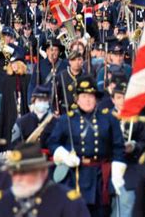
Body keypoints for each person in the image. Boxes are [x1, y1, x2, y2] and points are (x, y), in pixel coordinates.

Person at [47, 75, 126, 216]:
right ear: (77, 99)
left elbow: (118, 147)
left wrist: (117, 173)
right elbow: (53, 143)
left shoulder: (108, 119)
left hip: (101, 177)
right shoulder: (67, 120)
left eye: (90, 96)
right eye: (83, 96)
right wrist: (64, 156)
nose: (87, 100)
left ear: (96, 98)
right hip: (76, 175)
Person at [0, 142, 90, 216]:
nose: (19, 178)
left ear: (43, 172)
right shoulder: (3, 202)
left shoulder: (67, 202)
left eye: (25, 172)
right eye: (14, 173)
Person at [109, 80, 145, 217]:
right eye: (119, 97)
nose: (122, 101)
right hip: (108, 167)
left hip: (130, 167)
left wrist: (134, 147)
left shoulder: (138, 117)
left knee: (127, 204)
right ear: (113, 99)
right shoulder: (106, 117)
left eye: (125, 97)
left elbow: (144, 142)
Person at [0, 52, 30, 151]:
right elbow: (6, 99)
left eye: (16, 64)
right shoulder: (7, 79)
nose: (14, 66)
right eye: (12, 64)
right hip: (11, 108)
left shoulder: (27, 78)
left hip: (23, 107)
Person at [11, 85, 57, 150]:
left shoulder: (55, 122)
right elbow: (13, 145)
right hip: (28, 157)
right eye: (40, 100)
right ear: (33, 101)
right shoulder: (22, 122)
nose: (42, 103)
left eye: (45, 100)